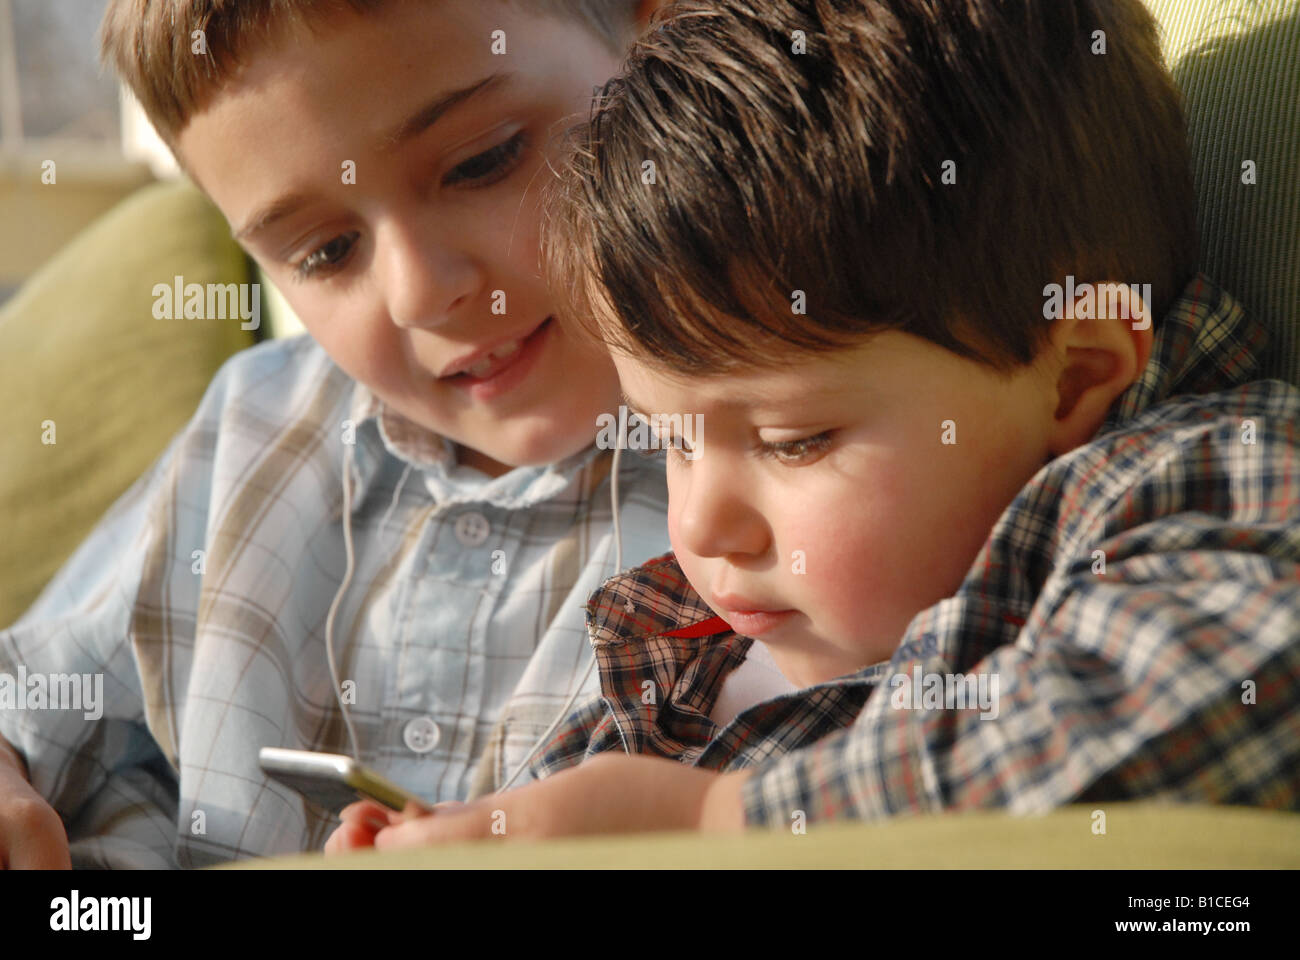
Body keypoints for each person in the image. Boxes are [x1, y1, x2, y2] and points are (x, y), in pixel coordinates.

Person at [347, 0, 1300, 852]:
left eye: (792, 440)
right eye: (670, 439)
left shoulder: (1197, 482)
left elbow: (1195, 711)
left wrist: (707, 823)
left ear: (1074, 377)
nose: (703, 529)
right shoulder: (678, 651)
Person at [0, 0, 676, 869]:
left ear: (661, 38)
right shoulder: (257, 428)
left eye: (483, 161)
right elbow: (32, 682)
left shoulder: (787, 449)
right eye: (325, 252)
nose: (418, 293)